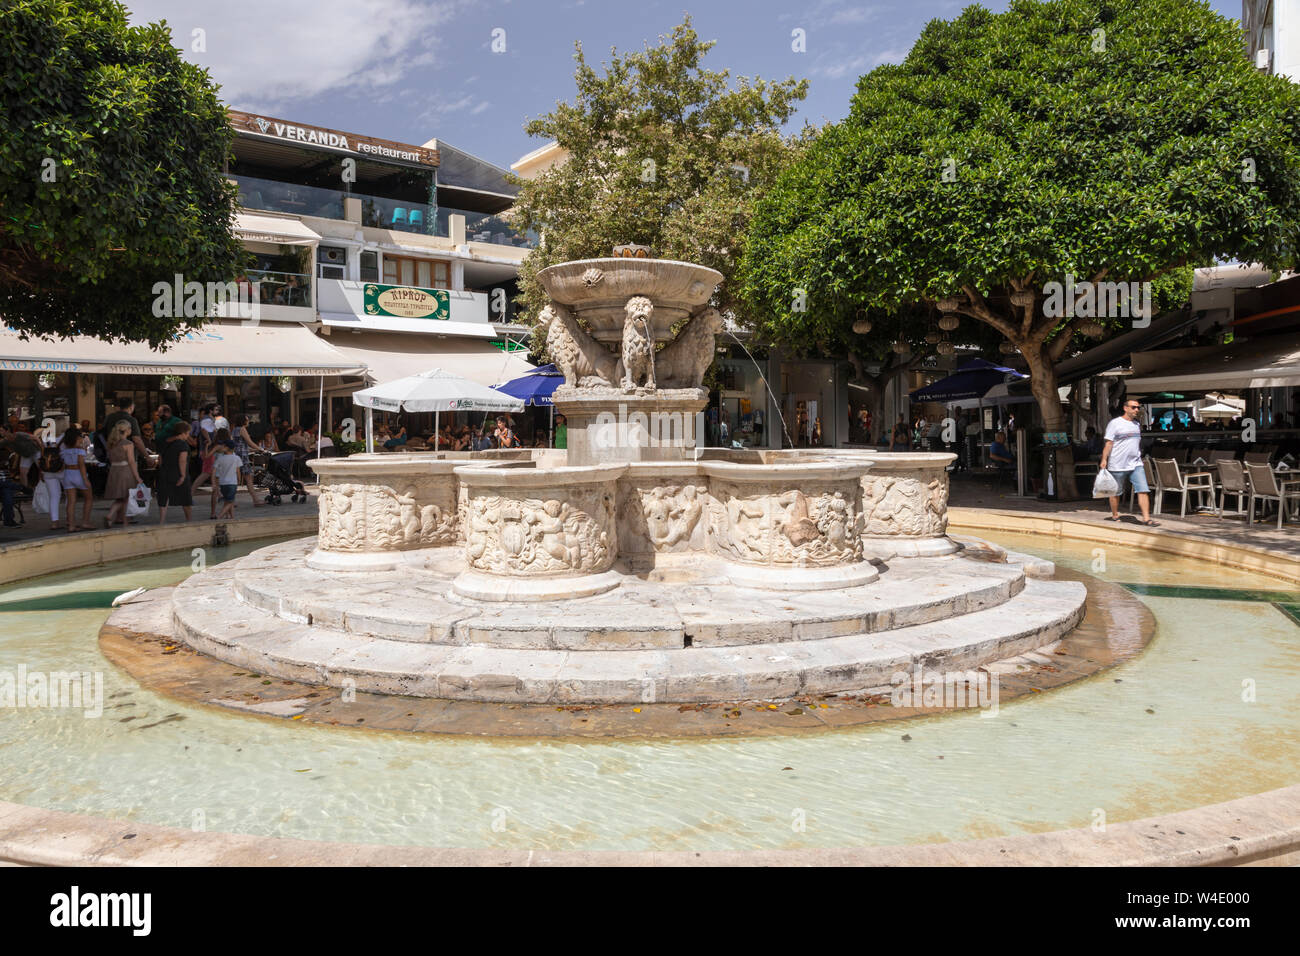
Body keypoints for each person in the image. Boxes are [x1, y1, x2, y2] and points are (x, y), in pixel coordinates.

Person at [1100, 398, 1158, 526]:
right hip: (1118, 464)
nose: (1136, 410)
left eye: (1138, 407)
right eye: (1133, 407)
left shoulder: (1136, 424)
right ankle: (1115, 515)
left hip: (1136, 464)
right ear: (1125, 408)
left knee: (1143, 490)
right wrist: (1104, 459)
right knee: (1116, 492)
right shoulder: (1115, 424)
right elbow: (1109, 443)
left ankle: (1146, 518)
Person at [103, 420, 142, 529]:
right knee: (126, 497)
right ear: (127, 430)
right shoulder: (128, 444)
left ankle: (111, 516)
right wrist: (137, 476)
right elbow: (131, 461)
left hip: (114, 470)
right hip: (125, 471)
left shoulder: (111, 443)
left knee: (121, 498)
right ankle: (124, 521)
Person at [157, 421, 193, 524]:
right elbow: (182, 460)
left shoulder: (165, 442)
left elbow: (160, 459)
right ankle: (189, 520)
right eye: (188, 433)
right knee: (186, 498)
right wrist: (182, 475)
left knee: (164, 498)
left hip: (165, 472)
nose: (188, 436)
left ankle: (162, 521)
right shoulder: (183, 445)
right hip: (178, 473)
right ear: (183, 433)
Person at [58, 425, 92, 532]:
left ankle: (71, 525)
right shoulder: (80, 451)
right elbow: (81, 465)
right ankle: (85, 522)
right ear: (77, 438)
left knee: (71, 501)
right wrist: (85, 479)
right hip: (78, 474)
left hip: (68, 475)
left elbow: (62, 465)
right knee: (89, 498)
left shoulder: (63, 451)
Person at [229, 414, 264, 507]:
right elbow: (249, 442)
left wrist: (254, 449)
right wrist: (260, 449)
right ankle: (255, 500)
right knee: (249, 478)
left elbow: (240, 445)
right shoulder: (242, 429)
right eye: (247, 420)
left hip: (235, 455)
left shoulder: (234, 430)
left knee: (235, 479)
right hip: (243, 457)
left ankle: (231, 501)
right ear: (243, 421)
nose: (248, 421)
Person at [212, 429, 241, 519]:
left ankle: (231, 517)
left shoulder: (220, 458)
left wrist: (213, 482)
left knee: (227, 501)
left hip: (222, 483)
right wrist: (239, 480)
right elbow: (238, 471)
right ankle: (220, 516)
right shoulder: (236, 458)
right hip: (232, 483)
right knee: (231, 501)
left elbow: (214, 470)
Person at [38, 438, 65, 530]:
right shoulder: (64, 436)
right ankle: (70, 519)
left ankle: (54, 522)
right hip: (62, 470)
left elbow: (41, 455)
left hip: (48, 471)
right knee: (70, 495)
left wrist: (41, 471)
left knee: (54, 497)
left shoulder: (45, 437)